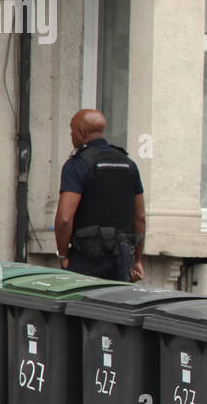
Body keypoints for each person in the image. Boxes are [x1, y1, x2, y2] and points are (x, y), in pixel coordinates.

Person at [54, 109, 145, 282]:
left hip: (86, 258)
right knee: (115, 307)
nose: (71, 136)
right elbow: (140, 217)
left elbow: (65, 218)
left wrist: (63, 255)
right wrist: (137, 260)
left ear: (81, 133)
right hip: (121, 259)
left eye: (72, 131)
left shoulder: (77, 165)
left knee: (81, 307)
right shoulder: (129, 164)